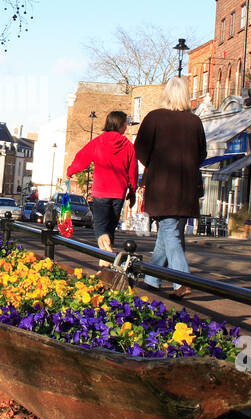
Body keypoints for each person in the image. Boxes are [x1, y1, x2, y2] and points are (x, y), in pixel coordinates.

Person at [134, 76, 207, 298]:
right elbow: (202, 154)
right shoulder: (195, 122)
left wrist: (154, 166)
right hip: (187, 188)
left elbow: (140, 150)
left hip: (163, 186)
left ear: (166, 95)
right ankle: (152, 278)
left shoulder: (154, 118)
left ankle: (181, 281)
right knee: (169, 233)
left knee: (169, 232)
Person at [65, 110, 137, 255]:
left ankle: (105, 255)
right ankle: (106, 257)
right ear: (120, 125)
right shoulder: (128, 145)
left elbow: (82, 158)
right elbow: (133, 169)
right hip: (118, 192)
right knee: (110, 226)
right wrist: (133, 190)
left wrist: (70, 171)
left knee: (100, 226)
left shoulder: (98, 142)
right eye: (125, 124)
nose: (127, 127)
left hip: (101, 191)